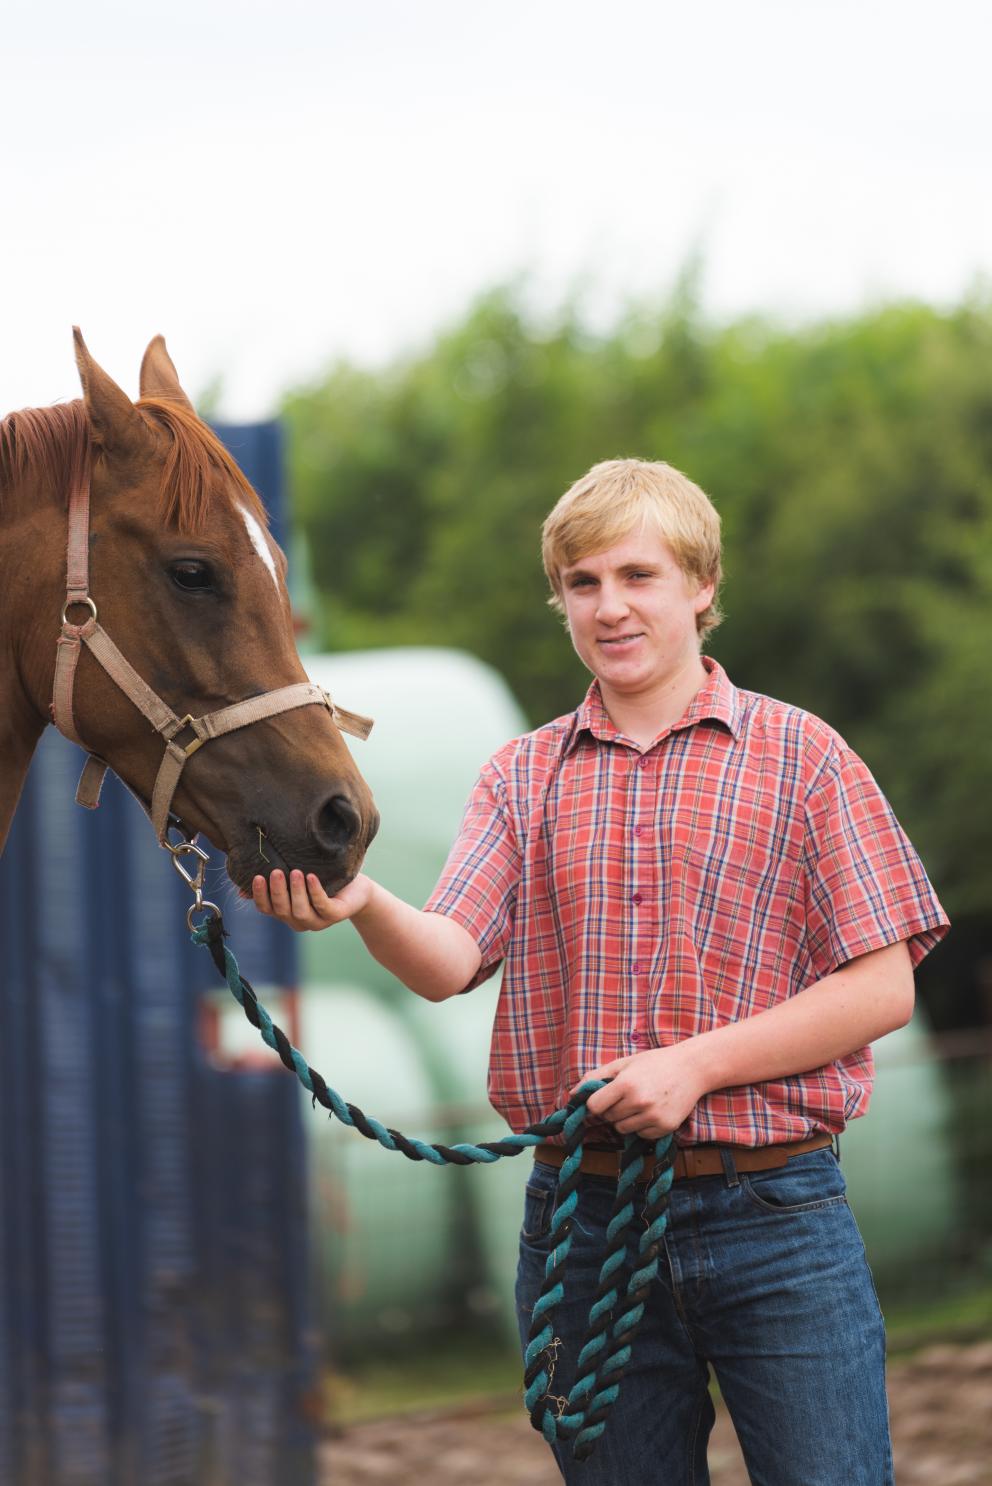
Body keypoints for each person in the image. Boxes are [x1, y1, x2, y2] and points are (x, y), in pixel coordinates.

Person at [252, 458, 949, 1485]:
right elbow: (448, 962)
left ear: (699, 587)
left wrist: (693, 1068)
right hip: (580, 1220)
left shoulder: (804, 757)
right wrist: (365, 902)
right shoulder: (520, 774)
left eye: (637, 576)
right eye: (582, 583)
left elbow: (879, 987)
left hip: (774, 1219)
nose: (608, 607)